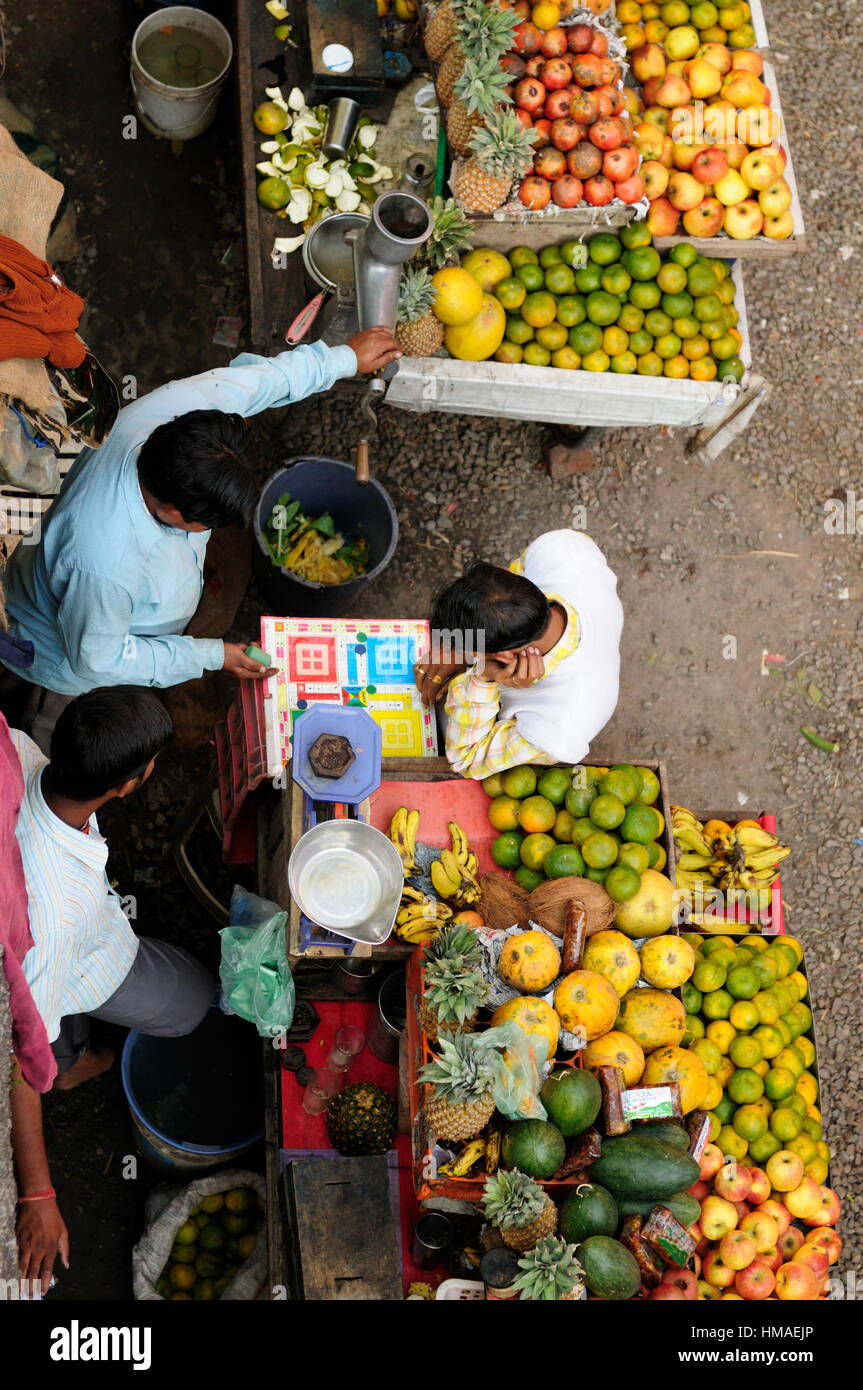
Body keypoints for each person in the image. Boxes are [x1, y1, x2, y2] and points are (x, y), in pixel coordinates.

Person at [0, 328, 401, 743]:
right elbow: (96, 660)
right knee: (53, 719)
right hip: (59, 652)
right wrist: (209, 655)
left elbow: (255, 382)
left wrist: (341, 360)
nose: (209, 533)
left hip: (98, 606)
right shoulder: (105, 563)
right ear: (173, 511)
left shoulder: (175, 419)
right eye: (205, 525)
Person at [11, 685, 216, 1089]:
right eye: (153, 761)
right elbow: (24, 1035)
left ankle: (74, 1047)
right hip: (81, 966)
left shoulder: (17, 747)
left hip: (71, 939)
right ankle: (77, 1067)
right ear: (126, 786)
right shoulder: (57, 916)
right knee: (194, 1003)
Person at [415, 529, 623, 779]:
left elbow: (466, 759)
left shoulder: (557, 730)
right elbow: (516, 572)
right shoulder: (562, 549)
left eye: (465, 648)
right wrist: (458, 650)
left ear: (503, 657)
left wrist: (483, 678)